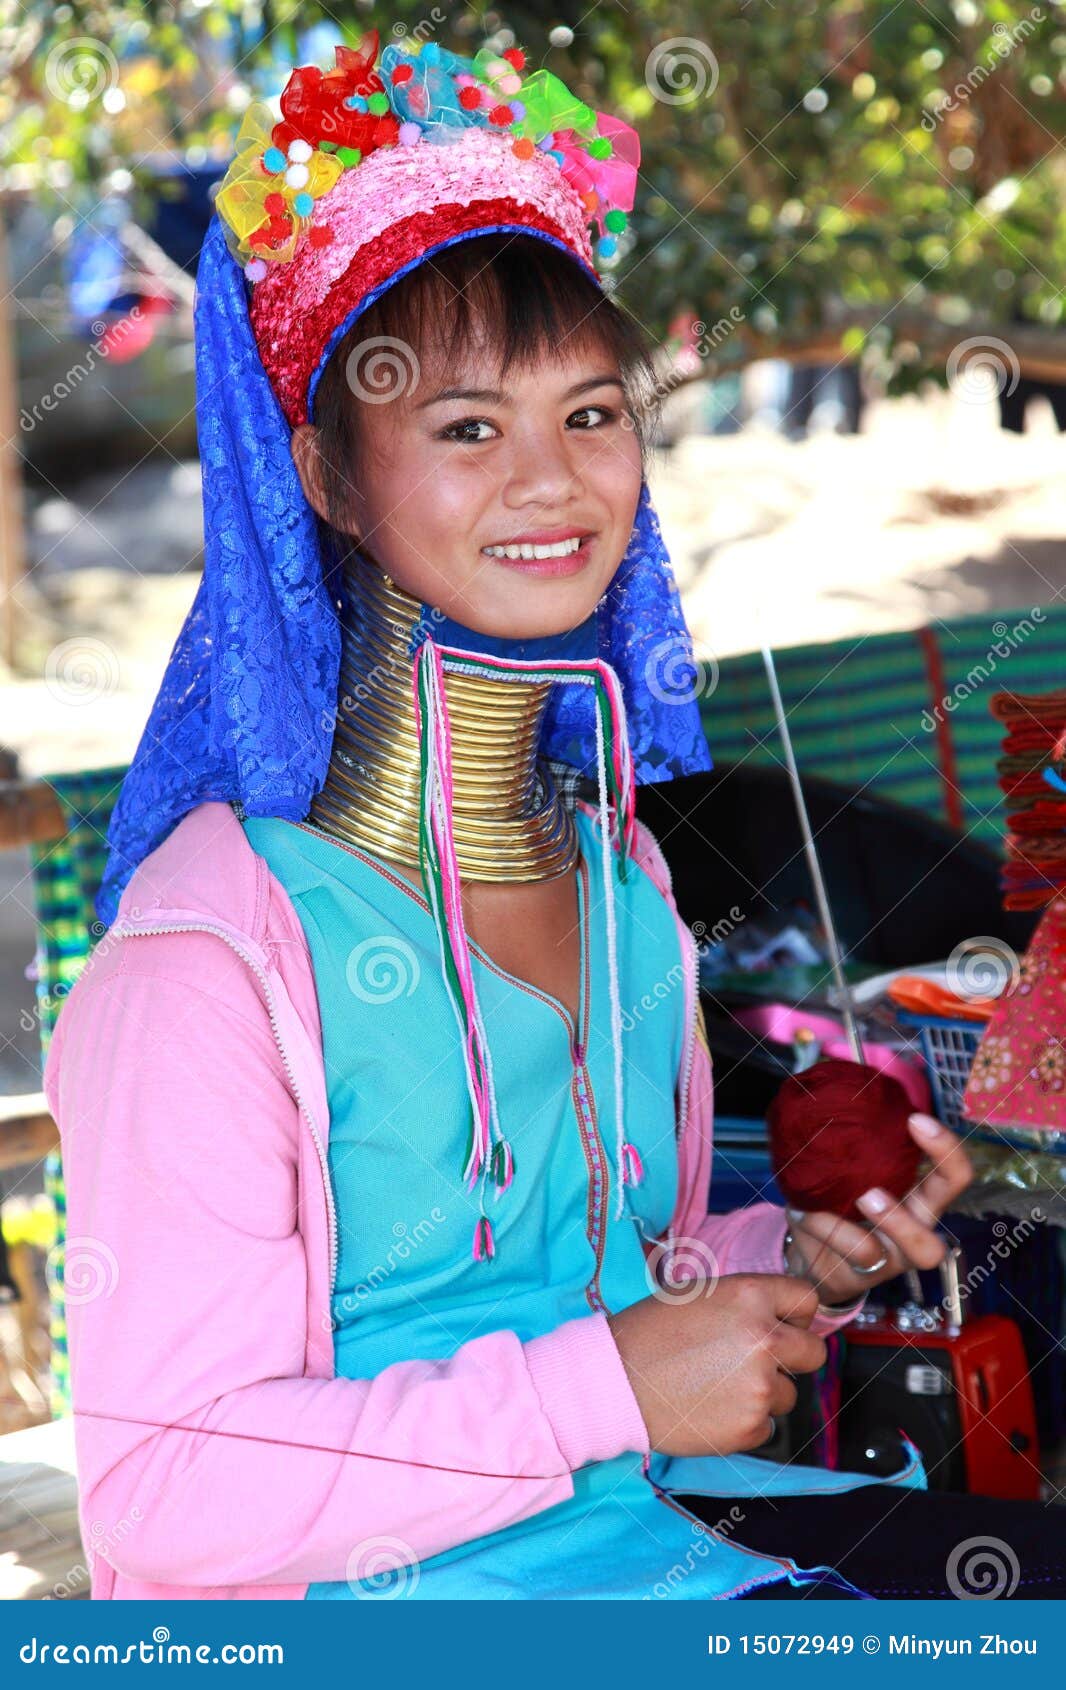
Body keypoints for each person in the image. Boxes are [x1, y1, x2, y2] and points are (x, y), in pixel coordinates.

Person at [43, 29, 1061, 1603]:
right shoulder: (206, 956)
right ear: (321, 469)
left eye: (590, 414)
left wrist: (784, 1259)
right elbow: (157, 1506)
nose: (552, 481)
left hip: (662, 1528)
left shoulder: (617, 873)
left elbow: (584, 1291)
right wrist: (610, 1386)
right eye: (465, 428)